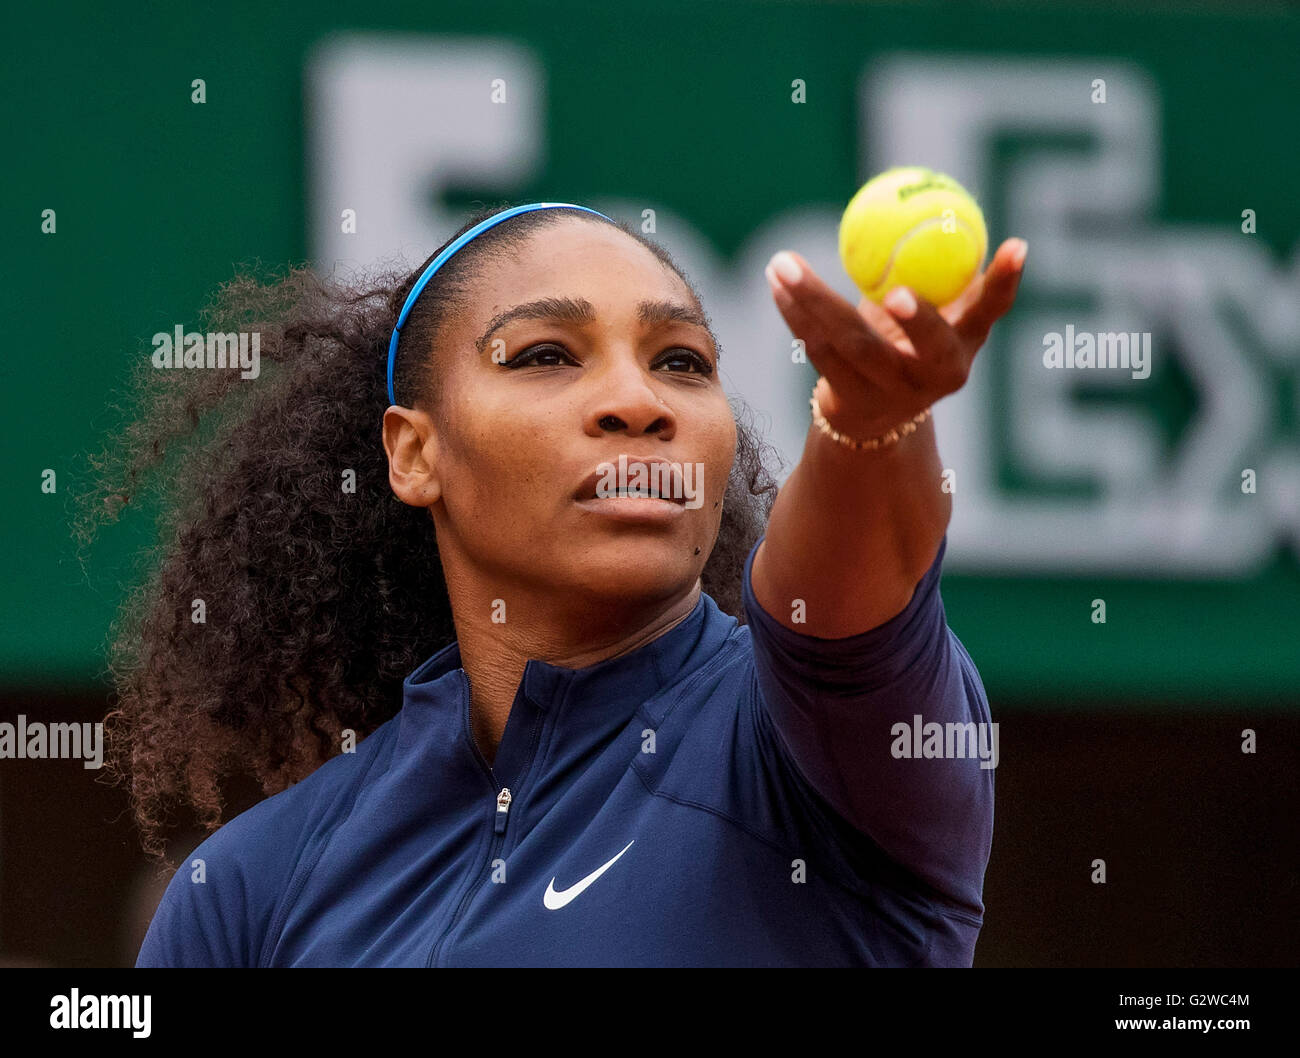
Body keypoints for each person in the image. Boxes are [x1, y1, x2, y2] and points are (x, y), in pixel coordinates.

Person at [85, 200, 1025, 966]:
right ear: (415, 453)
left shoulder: (808, 751)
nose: (638, 401)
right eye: (545, 355)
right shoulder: (250, 892)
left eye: (682, 363)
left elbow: (840, 605)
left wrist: (870, 424)